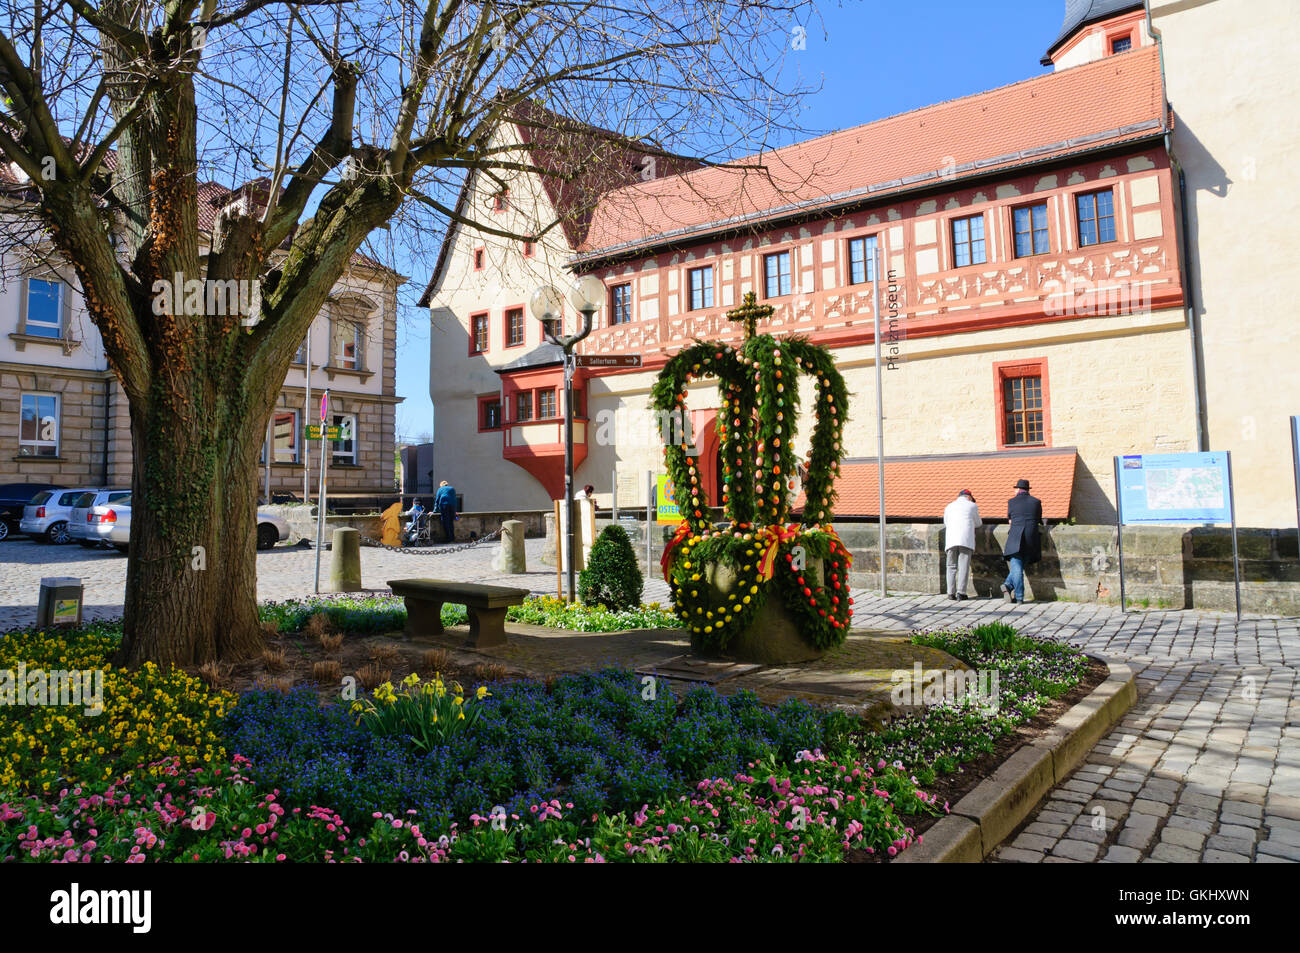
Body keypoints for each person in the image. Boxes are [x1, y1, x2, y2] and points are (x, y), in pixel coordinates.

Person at [1001, 478, 1043, 604]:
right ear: (1027, 490)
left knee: (1016, 565)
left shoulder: (1012, 502)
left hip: (1015, 537)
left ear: (1018, 489)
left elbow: (1010, 520)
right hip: (1031, 537)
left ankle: (1019, 596)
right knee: (1019, 565)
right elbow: (1038, 518)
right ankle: (1008, 585)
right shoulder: (1036, 502)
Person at [942, 489, 981, 601]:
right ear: (969, 497)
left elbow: (946, 522)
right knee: (963, 566)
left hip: (951, 540)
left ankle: (950, 593)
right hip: (965, 540)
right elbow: (978, 523)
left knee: (951, 566)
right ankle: (961, 592)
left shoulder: (949, 506)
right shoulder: (972, 506)